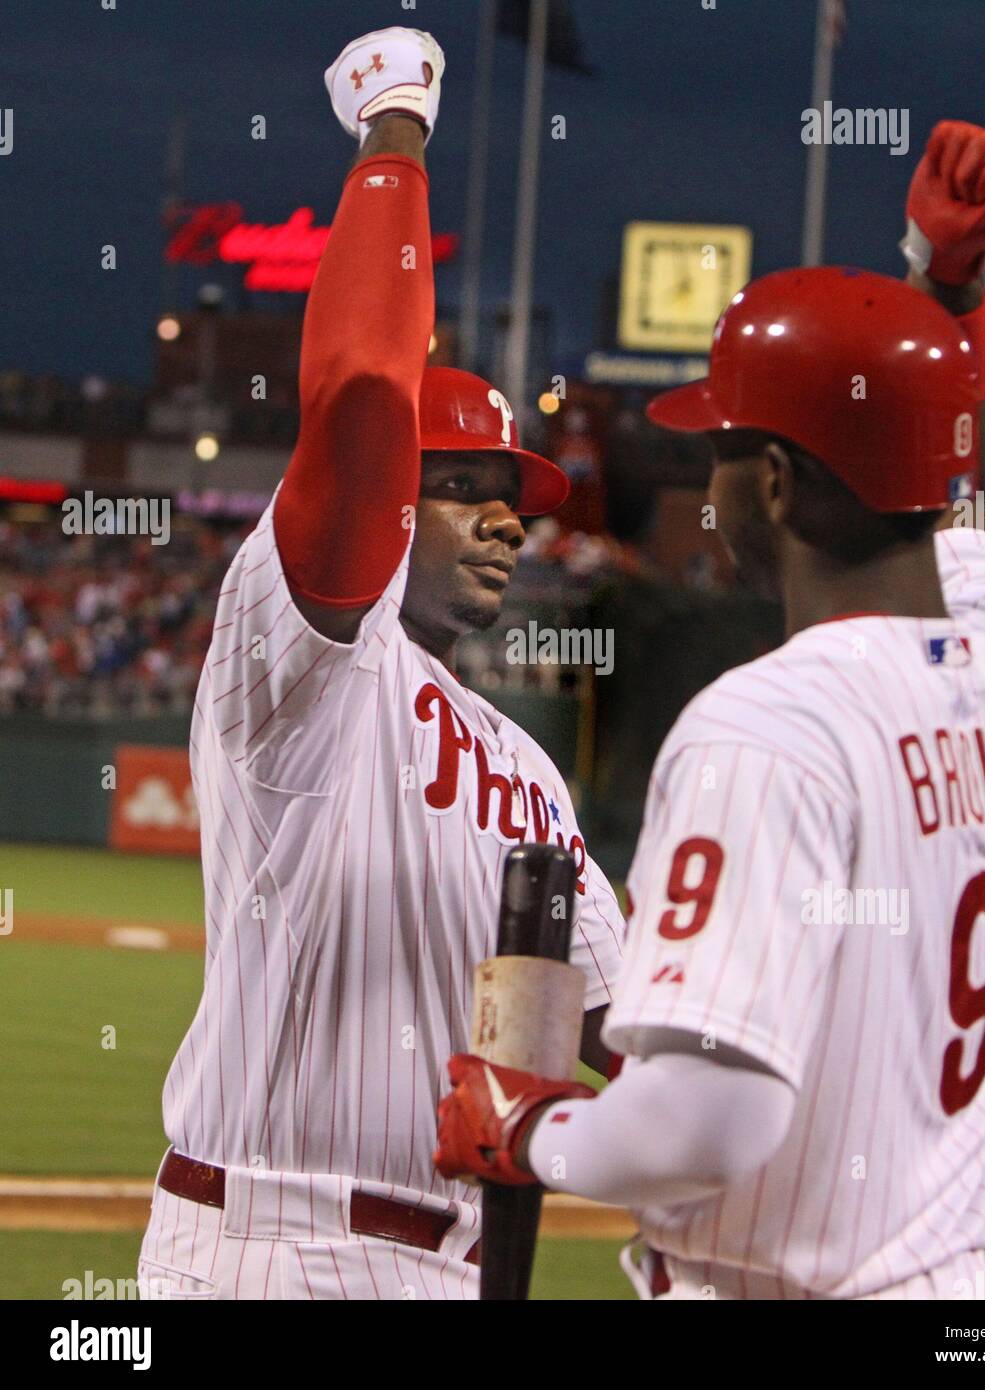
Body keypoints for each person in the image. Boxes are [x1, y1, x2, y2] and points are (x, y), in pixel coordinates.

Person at [434, 123, 985, 1301]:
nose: (705, 480)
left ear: (776, 485)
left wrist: (530, 1130)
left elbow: (711, 1119)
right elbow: (964, 492)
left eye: (723, 452)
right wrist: (944, 292)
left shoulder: (769, 725)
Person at [138, 26, 623, 1302]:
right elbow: (359, 391)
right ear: (398, 503)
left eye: (513, 498)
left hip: (456, 1267)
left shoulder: (526, 766)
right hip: (263, 1248)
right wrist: (394, 124)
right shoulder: (297, 660)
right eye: (463, 488)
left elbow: (621, 1024)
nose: (510, 519)